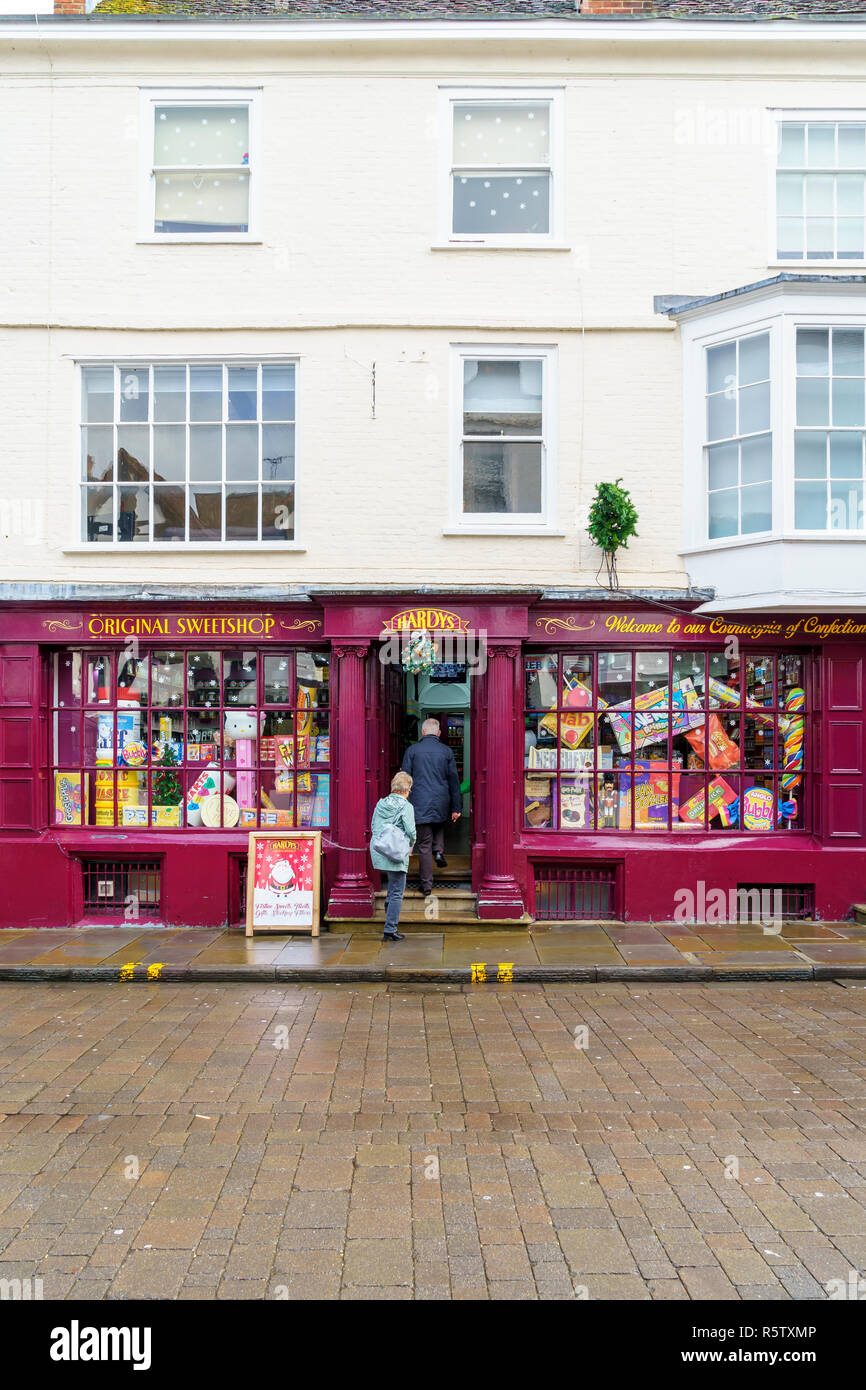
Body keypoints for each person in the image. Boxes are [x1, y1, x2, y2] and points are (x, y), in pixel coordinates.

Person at [401, 717, 461, 897]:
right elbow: (454, 781)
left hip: (419, 801)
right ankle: (439, 851)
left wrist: (402, 804)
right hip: (442, 800)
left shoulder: (412, 750)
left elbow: (404, 780)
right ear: (440, 733)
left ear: (423, 732)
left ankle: (426, 885)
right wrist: (456, 807)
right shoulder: (447, 751)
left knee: (424, 844)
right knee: (438, 823)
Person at [370, 770, 416, 942]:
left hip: (380, 849)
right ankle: (390, 929)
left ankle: (389, 923)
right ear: (406, 790)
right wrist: (411, 844)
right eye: (410, 789)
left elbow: (374, 826)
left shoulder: (381, 803)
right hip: (396, 851)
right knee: (397, 891)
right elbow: (411, 831)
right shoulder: (406, 806)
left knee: (392, 887)